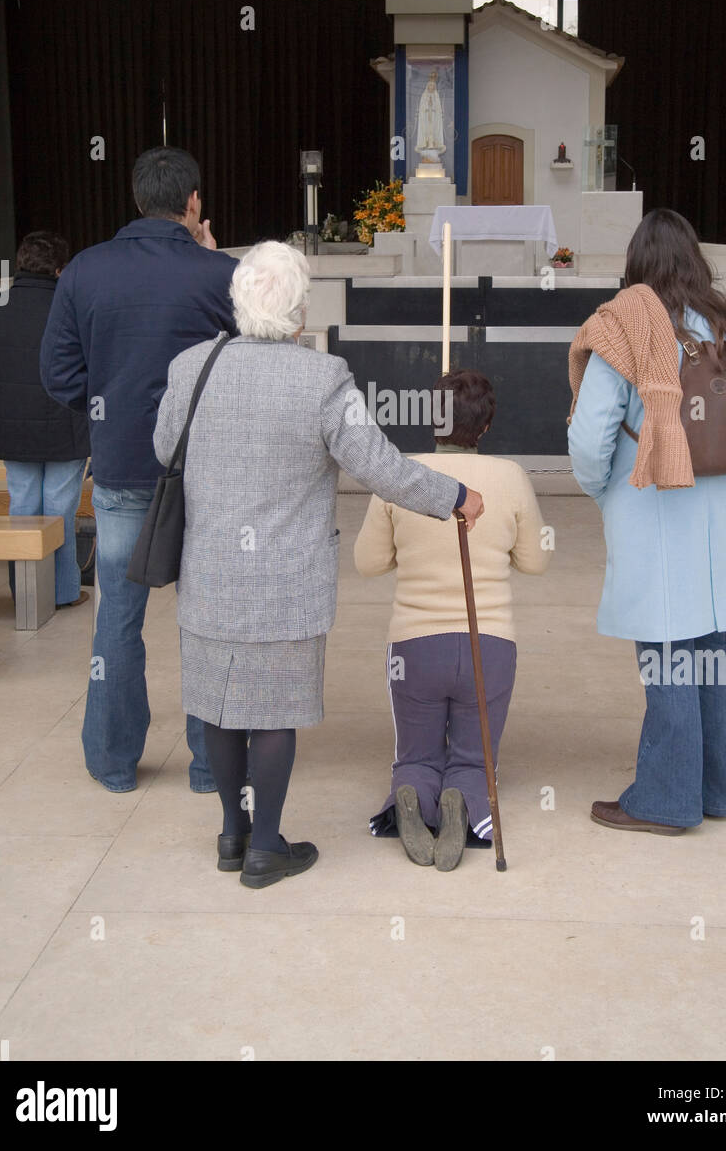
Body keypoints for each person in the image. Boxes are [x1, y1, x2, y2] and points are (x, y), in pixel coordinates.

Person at [153, 242, 484, 889]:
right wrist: (453, 497)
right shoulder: (322, 378)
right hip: (285, 581)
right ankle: (267, 845)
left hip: (212, 573)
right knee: (273, 713)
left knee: (219, 709)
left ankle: (232, 834)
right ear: (300, 312)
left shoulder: (191, 366)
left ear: (239, 301)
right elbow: (381, 469)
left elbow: (165, 446)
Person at [40, 147, 238, 794]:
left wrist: (112, 411)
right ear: (194, 202)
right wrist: (209, 251)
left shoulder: (86, 272)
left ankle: (114, 761)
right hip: (204, 475)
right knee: (205, 622)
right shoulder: (219, 274)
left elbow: (59, 374)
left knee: (117, 621)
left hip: (123, 471)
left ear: (135, 199)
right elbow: (250, 365)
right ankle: (210, 768)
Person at [567, 208, 726, 835]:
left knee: (670, 652)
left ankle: (665, 800)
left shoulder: (625, 333)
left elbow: (592, 436)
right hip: (723, 517)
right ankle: (712, 790)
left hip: (654, 508)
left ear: (637, 267)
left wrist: (603, 491)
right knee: (710, 654)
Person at [354, 369, 550, 869]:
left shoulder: (398, 476)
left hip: (414, 648)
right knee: (475, 760)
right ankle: (464, 797)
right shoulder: (512, 476)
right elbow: (534, 562)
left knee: (415, 755)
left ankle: (414, 795)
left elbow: (368, 563)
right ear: (486, 427)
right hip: (491, 646)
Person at [0, 231, 90, 608]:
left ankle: (25, 593)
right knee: (59, 508)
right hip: (65, 422)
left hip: (13, 424)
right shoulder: (71, 301)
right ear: (61, 268)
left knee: (23, 507)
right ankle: (61, 593)